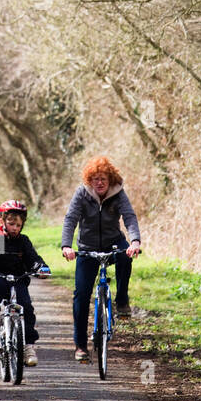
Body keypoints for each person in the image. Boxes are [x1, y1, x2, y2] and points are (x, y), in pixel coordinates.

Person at [61, 155, 141, 362]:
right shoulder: (82, 193)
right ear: (90, 180)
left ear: (110, 179)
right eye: (95, 178)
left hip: (113, 244)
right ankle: (80, 346)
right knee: (81, 295)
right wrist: (67, 245)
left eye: (103, 178)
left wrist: (134, 242)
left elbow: (129, 217)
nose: (99, 182)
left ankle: (122, 300)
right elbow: (71, 218)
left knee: (125, 256)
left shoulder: (118, 193)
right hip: (87, 249)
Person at [0, 199, 44, 367]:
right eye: (11, 223)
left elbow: (33, 259)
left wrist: (41, 268)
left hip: (19, 279)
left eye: (18, 225)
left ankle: (28, 346)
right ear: (2, 221)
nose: (15, 228)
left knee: (26, 307)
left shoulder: (23, 241)